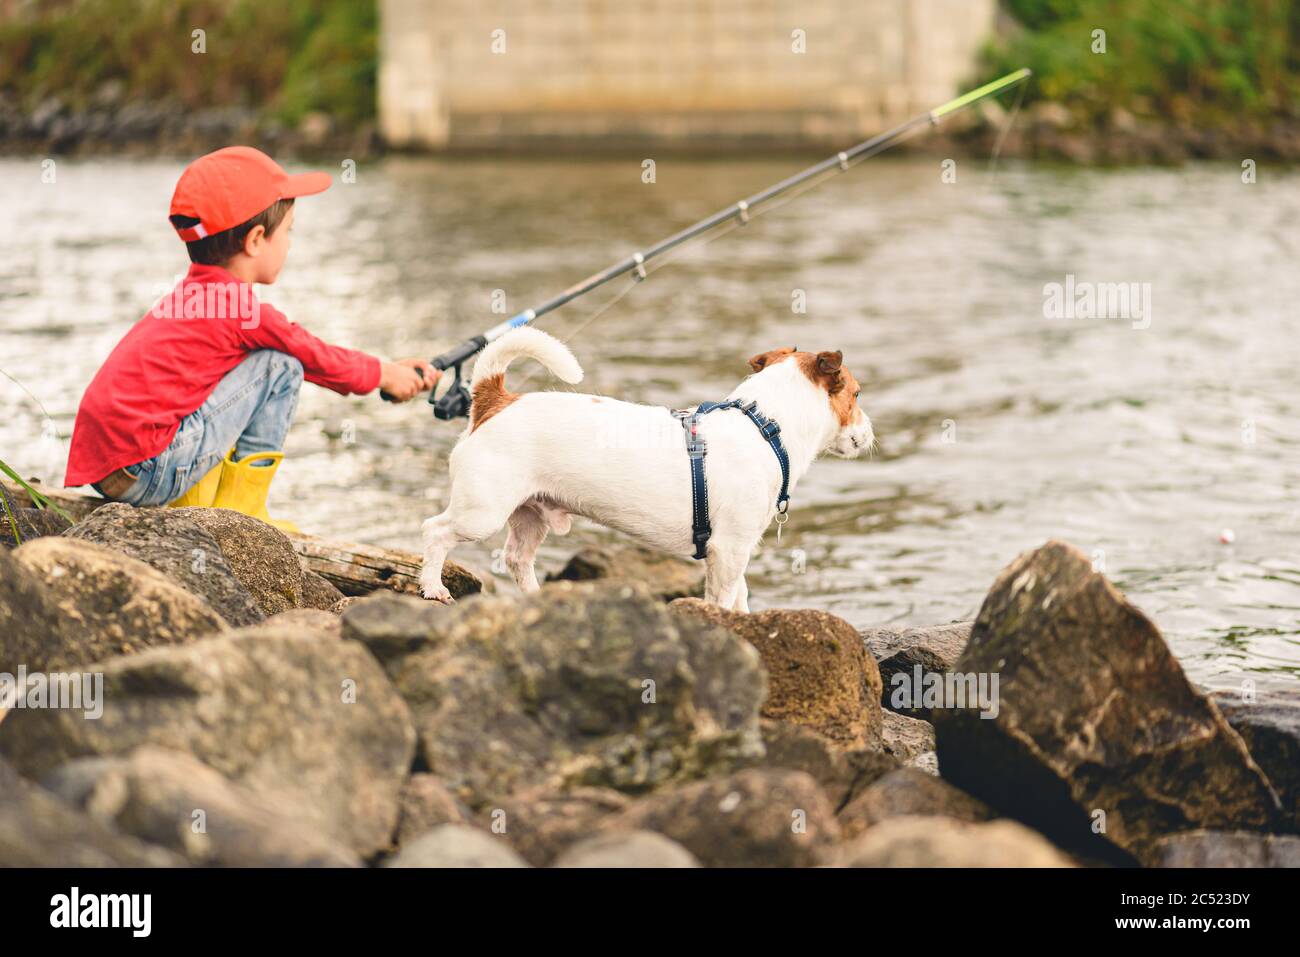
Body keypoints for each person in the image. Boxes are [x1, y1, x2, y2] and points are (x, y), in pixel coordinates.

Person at [63, 146, 439, 531]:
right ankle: (244, 516)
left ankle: (200, 502)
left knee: (240, 367)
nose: (290, 244)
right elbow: (311, 354)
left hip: (109, 468)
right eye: (288, 232)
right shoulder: (240, 309)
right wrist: (385, 374)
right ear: (257, 239)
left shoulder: (186, 299)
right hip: (150, 471)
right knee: (281, 366)